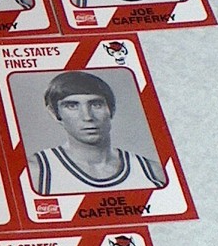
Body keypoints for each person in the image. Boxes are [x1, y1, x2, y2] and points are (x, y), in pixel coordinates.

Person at [27, 72, 167, 194]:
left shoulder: (153, 172)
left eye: (96, 105)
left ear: (111, 110)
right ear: (54, 113)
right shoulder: (38, 172)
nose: (87, 116)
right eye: (72, 106)